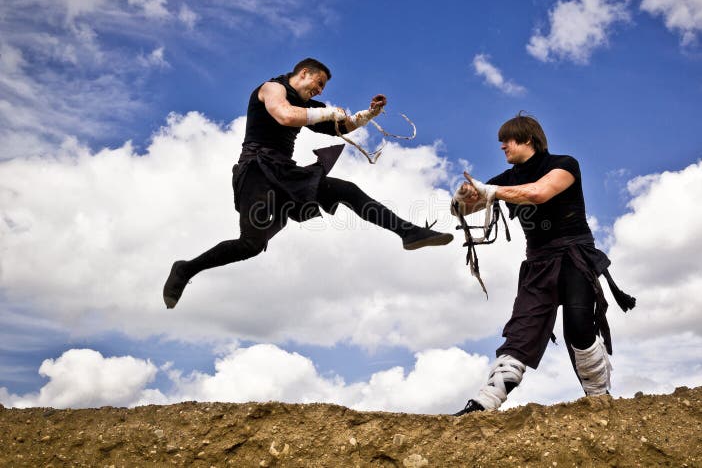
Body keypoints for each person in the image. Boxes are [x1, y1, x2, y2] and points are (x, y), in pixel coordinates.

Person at [163, 58, 452, 309]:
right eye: (319, 82)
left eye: (323, 87)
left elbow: (342, 126)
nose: (320, 90)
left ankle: (409, 233)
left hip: (285, 173)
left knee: (346, 191)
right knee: (250, 245)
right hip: (257, 170)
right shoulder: (273, 88)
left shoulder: (309, 106)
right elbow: (285, 115)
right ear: (303, 73)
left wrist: (368, 115)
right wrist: (326, 111)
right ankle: (186, 269)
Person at [451, 113, 634, 415]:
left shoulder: (564, 164)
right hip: (537, 264)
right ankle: (484, 404)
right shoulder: (506, 179)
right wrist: (462, 196)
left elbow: (538, 193)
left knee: (578, 328)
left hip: (574, 256)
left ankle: (599, 399)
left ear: (528, 139)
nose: (502, 146)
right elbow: (461, 210)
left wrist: (490, 192)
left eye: (508, 140)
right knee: (520, 333)